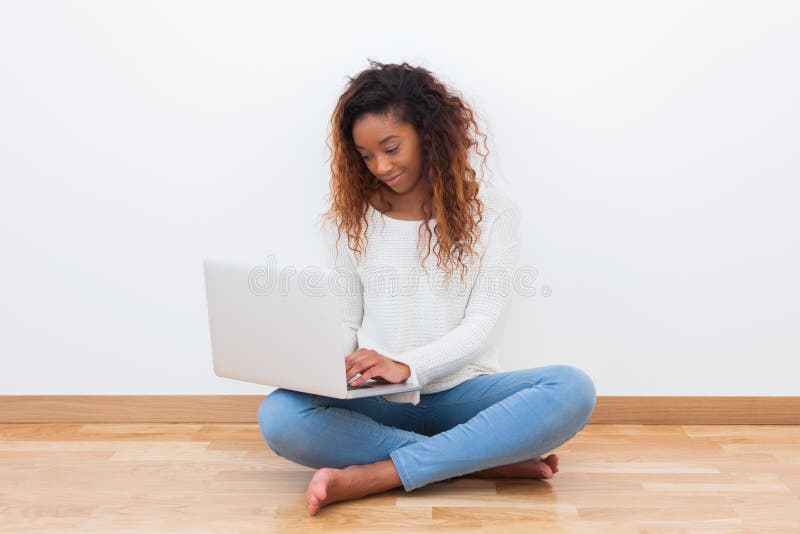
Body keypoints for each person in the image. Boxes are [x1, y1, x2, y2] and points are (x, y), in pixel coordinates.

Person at [257, 60, 596, 516]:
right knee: (278, 416)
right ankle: (474, 461)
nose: (380, 166)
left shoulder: (494, 212)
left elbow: (481, 325)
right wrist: (319, 366)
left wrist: (406, 365)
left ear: (429, 132)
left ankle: (380, 474)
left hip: (464, 394)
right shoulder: (347, 219)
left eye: (391, 148)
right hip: (375, 400)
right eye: (366, 155)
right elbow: (347, 319)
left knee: (571, 388)